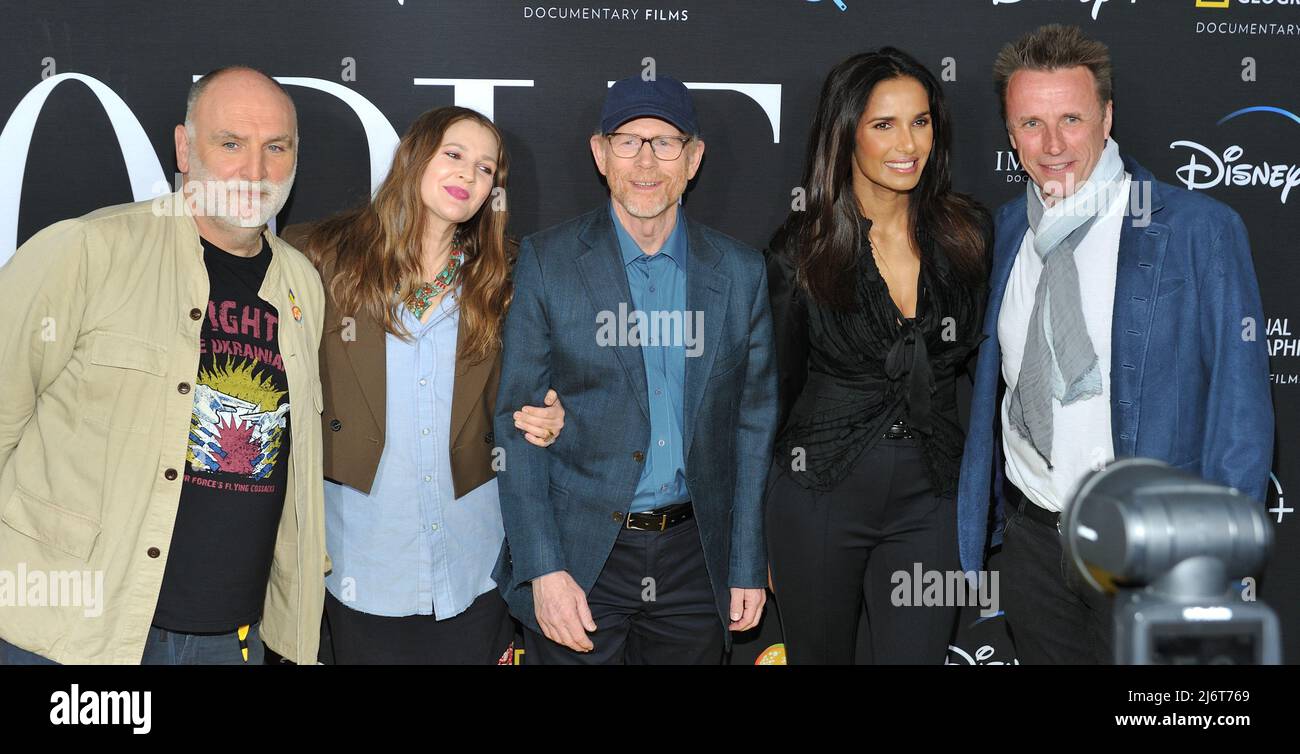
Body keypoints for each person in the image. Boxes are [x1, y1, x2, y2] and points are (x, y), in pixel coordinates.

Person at [957, 24, 1274, 664]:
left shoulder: (1196, 230)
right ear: (1010, 131)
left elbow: (1240, 416)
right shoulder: (1009, 227)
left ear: (1107, 117)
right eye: (1030, 124)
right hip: (1034, 546)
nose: (1051, 145)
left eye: (1071, 118)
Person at [0, 66, 325, 665]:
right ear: (183, 146)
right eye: (231, 144)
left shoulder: (301, 282)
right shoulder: (85, 250)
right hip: (69, 632)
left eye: (275, 148)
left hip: (231, 636)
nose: (255, 171)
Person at [492, 74, 778, 664]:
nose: (646, 160)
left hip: (695, 561)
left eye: (665, 142)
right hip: (583, 554)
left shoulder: (741, 274)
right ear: (600, 154)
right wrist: (543, 568)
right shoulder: (548, 263)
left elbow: (753, 429)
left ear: (693, 159)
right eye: (628, 141)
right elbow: (516, 428)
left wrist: (747, 562)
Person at [283, 106, 566, 665]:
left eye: (486, 169)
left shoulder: (506, 274)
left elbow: (543, 383)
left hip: (473, 560)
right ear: (415, 157)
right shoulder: (319, 253)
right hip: (361, 560)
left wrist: (554, 413)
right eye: (454, 155)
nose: (469, 175)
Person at [764, 49, 991, 665]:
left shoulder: (968, 236)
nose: (908, 143)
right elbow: (772, 392)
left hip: (932, 499)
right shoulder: (801, 248)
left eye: (921, 121)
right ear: (845, 133)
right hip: (820, 493)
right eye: (883, 124)